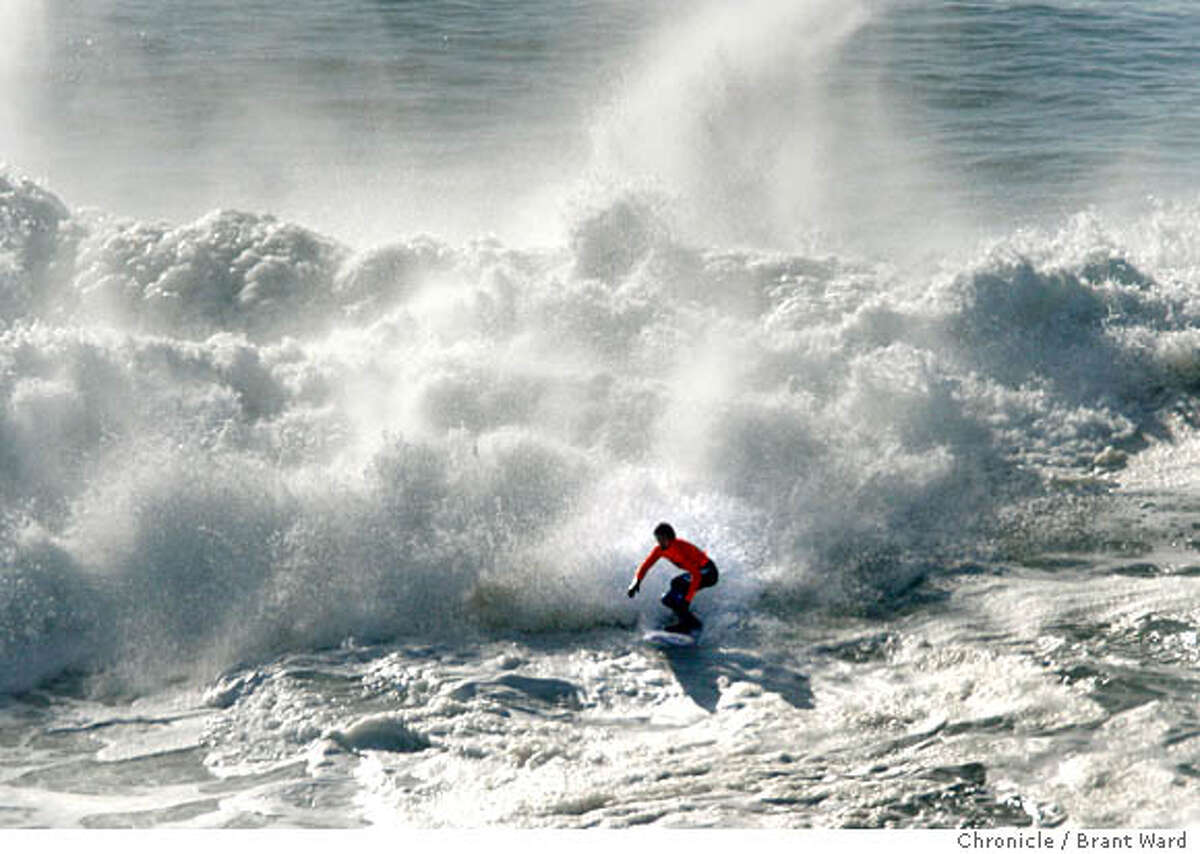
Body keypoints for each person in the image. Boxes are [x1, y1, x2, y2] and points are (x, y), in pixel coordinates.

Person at [626, 522, 718, 633]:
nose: (660, 542)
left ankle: (685, 624)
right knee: (669, 598)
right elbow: (645, 566)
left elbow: (696, 576)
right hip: (700, 572)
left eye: (662, 539)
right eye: (657, 539)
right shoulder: (659, 550)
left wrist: (687, 600)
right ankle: (691, 622)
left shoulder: (679, 549)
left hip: (709, 572)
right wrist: (636, 582)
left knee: (678, 584)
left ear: (670, 537)